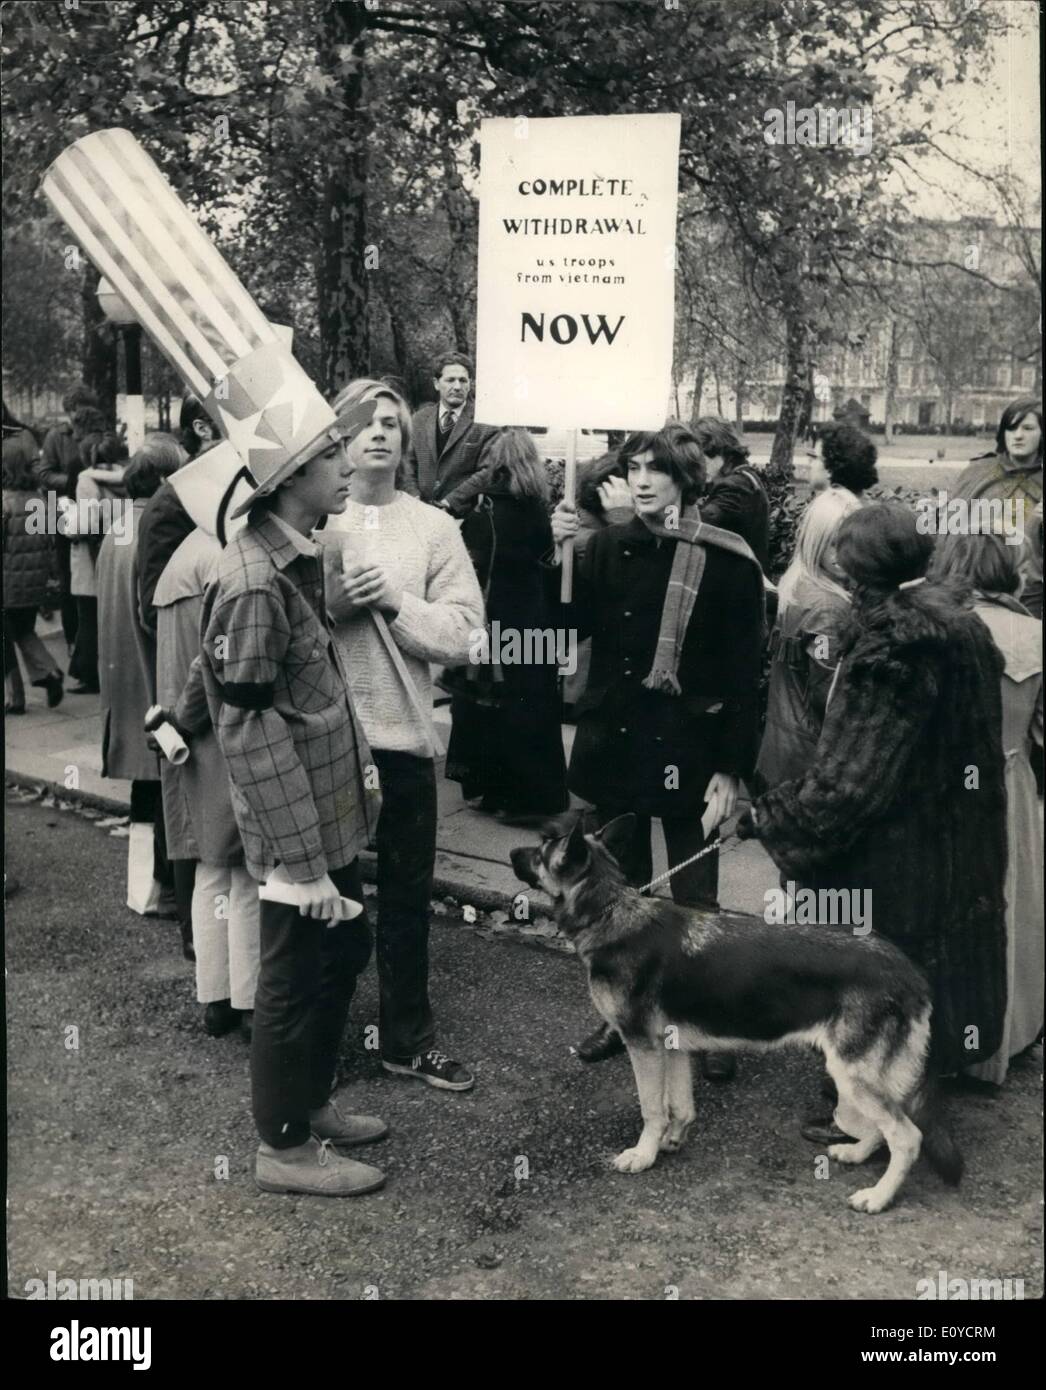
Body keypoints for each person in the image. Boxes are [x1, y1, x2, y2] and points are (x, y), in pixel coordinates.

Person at [169, 402, 386, 1199]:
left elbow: (217, 679)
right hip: (297, 828)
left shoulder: (284, 554)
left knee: (339, 957)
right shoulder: (257, 577)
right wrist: (303, 864)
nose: (349, 466)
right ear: (289, 478)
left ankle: (310, 1101)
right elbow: (251, 728)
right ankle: (282, 1147)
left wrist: (179, 717)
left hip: (325, 817)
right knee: (293, 978)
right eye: (332, 457)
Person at [737, 504, 1008, 1127]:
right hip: (956, 844)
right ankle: (918, 1094)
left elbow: (848, 787)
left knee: (867, 979)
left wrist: (772, 815)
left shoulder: (891, 647)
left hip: (894, 860)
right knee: (929, 981)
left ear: (854, 570)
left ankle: (863, 1115)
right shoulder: (964, 627)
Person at [550, 422, 764, 1078]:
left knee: (695, 900)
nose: (640, 481)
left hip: (690, 747)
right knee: (619, 898)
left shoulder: (726, 558)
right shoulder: (606, 546)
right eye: (632, 469)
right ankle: (625, 1013)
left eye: (656, 471)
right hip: (614, 742)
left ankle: (710, 1027)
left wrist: (732, 768)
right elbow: (567, 629)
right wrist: (553, 555)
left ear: (686, 480)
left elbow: (745, 672)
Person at [323, 378, 484, 1092]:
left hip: (406, 744)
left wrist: (393, 602)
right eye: (364, 425)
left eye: (392, 422)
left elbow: (466, 637)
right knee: (322, 898)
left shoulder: (434, 527)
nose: (381, 433)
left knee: (408, 900)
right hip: (327, 744)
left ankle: (404, 1040)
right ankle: (313, 1044)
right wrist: (331, 606)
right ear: (339, 440)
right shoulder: (316, 526)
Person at [928, 531, 1042, 1086]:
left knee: (948, 906)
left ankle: (948, 1040)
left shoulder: (944, 632)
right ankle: (1006, 1035)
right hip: (1011, 779)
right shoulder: (1035, 634)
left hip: (948, 785)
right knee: (1010, 901)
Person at [153, 519, 259, 1039]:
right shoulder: (229, 559)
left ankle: (214, 996)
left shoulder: (185, 553)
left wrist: (177, 722)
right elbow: (211, 663)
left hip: (190, 737)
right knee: (244, 878)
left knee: (211, 872)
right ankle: (247, 998)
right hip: (220, 734)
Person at [446, 427, 569, 820]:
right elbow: (547, 561)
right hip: (531, 619)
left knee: (484, 704)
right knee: (530, 706)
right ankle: (528, 796)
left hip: (489, 617)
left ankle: (487, 787)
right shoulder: (535, 508)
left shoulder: (482, 507)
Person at [97, 436, 184, 918]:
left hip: (120, 676)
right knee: (161, 784)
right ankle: (162, 888)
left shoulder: (119, 528)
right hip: (149, 672)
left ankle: (143, 889)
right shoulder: (159, 528)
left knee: (142, 789)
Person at [755, 488, 862, 789]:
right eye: (832, 543)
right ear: (815, 541)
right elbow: (829, 695)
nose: (842, 553)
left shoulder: (797, 584)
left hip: (779, 752)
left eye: (851, 543)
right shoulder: (829, 607)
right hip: (808, 763)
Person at [952, 399, 1042, 619]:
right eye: (1011, 428)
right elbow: (950, 533)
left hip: (1031, 597)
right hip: (975, 592)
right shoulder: (978, 472)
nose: (1017, 435)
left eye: (1028, 428)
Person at [2, 433, 64, 714]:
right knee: (24, 631)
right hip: (34, 583)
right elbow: (48, 542)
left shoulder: (4, 503)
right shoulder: (39, 500)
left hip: (8, 584)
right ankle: (49, 671)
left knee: (7, 638)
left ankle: (15, 698)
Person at [37, 385, 99, 651]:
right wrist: (72, 481)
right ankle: (73, 638)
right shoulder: (56, 437)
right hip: (64, 510)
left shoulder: (98, 432)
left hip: (94, 509)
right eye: (76, 411)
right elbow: (44, 473)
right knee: (67, 576)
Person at [67, 425, 127, 694]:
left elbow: (85, 524)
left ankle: (90, 675)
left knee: (88, 618)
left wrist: (66, 523)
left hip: (91, 558)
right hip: (118, 550)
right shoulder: (125, 477)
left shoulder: (86, 481)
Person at [403, 352, 499, 514]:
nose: (457, 387)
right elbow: (407, 464)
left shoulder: (485, 422)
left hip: (464, 516)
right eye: (450, 380)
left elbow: (488, 470)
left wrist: (450, 502)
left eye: (463, 380)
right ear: (436, 383)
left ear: (470, 384)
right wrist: (415, 499)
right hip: (420, 513)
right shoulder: (419, 419)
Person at [692, 417, 770, 571]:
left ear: (721, 451)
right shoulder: (743, 477)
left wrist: (672, 498)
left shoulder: (734, 488)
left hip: (739, 587)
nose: (697, 468)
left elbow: (683, 528)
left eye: (701, 459)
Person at [807, 421, 879, 501]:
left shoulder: (828, 507)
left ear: (830, 467)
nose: (809, 462)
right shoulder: (863, 503)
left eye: (814, 457)